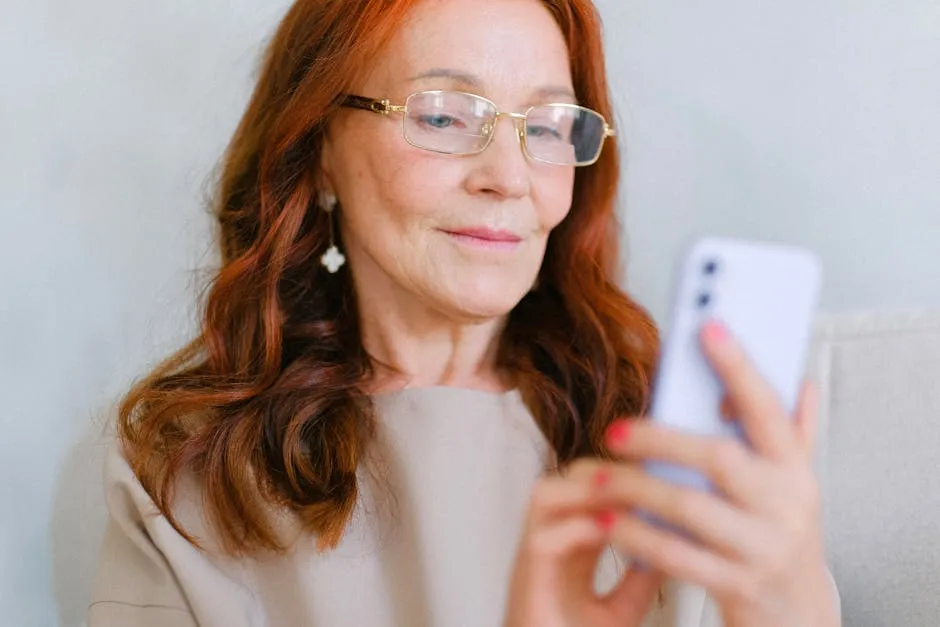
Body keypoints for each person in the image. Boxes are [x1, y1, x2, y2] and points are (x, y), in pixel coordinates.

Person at [87, 0, 842, 625]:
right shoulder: (184, 475)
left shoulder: (664, 438)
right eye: (444, 116)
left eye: (547, 127)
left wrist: (794, 601)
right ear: (319, 146)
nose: (509, 176)